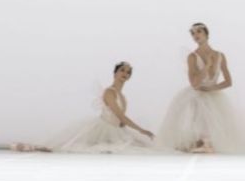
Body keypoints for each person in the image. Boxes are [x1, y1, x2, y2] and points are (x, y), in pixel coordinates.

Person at [11, 62, 156, 153]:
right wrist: (141, 130)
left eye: (128, 72)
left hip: (117, 131)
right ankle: (36, 148)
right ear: (115, 73)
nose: (125, 73)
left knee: (141, 148)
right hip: (103, 129)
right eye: (123, 70)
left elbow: (121, 121)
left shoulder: (122, 96)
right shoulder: (109, 92)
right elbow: (120, 116)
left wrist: (128, 128)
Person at [157, 23, 244, 153]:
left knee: (216, 127)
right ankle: (199, 142)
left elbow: (228, 81)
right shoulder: (192, 57)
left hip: (213, 94)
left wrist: (213, 88)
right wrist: (207, 66)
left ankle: (206, 143)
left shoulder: (220, 55)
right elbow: (194, 84)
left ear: (206, 34)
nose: (195, 35)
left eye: (199, 32)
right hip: (196, 95)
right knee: (198, 115)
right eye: (192, 33)